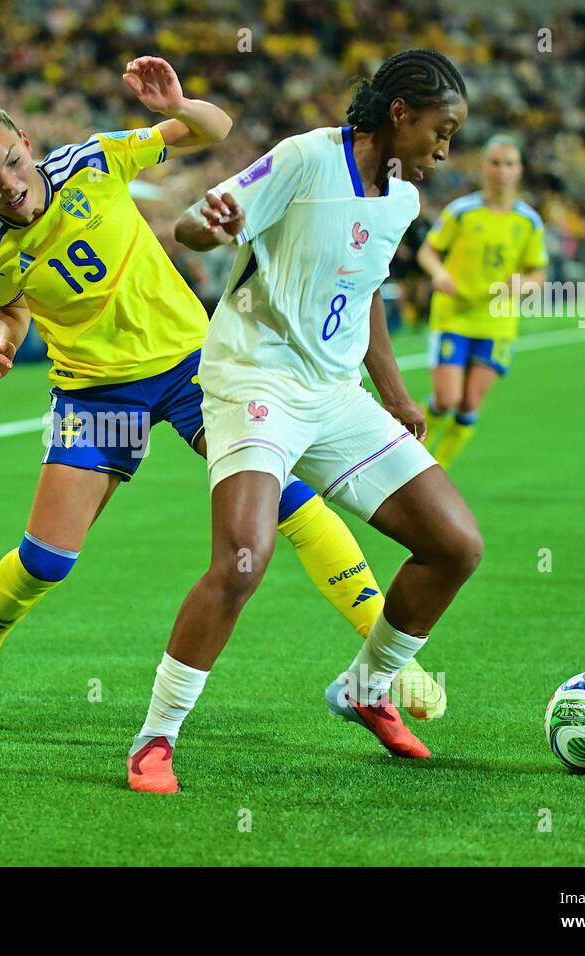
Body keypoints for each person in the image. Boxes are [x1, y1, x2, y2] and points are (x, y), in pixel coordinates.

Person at [0, 55, 444, 728]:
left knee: (291, 500)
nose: (9, 186)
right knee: (47, 562)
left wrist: (178, 105)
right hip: (97, 396)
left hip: (195, 366)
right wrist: (6, 342)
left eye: (12, 163)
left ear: (28, 147)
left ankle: (391, 661)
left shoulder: (94, 163)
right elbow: (12, 306)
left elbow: (215, 129)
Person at [127, 49, 480, 794]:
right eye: (440, 130)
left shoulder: (403, 200)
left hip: (335, 393)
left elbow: (366, 294)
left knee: (453, 545)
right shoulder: (305, 159)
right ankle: (155, 738)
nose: (446, 147)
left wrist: (395, 392)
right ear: (400, 114)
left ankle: (366, 688)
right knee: (244, 558)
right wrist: (212, 224)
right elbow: (194, 229)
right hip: (253, 379)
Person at [416, 134, 548, 470]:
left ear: (519, 170)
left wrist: (524, 284)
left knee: (469, 403)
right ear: (483, 167)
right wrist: (439, 274)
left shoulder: (529, 221)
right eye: (495, 163)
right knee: (446, 400)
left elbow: (538, 274)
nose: (501, 171)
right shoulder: (462, 212)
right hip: (454, 316)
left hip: (497, 321)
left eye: (509, 164)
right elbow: (427, 251)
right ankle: (407, 453)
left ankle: (436, 472)